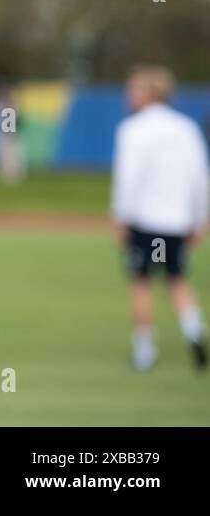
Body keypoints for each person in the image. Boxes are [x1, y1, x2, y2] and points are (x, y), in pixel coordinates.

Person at [111, 64, 209, 372]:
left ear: (150, 92)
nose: (129, 95)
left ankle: (144, 352)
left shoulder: (133, 129)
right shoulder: (186, 128)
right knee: (177, 281)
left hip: (145, 221)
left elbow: (128, 178)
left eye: (134, 89)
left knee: (141, 283)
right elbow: (200, 177)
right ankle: (194, 332)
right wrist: (200, 217)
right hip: (177, 221)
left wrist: (120, 216)